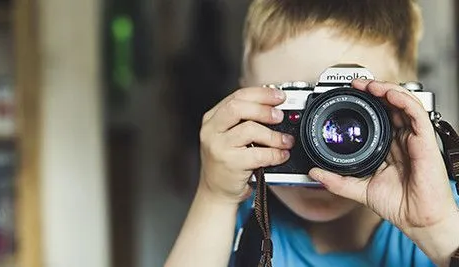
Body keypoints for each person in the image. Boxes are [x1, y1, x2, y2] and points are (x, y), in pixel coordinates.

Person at [165, 0, 459, 266]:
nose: (322, 144)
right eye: (296, 108)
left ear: (407, 105)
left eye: (350, 107)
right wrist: (215, 196)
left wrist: (436, 230)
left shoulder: (443, 212)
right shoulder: (242, 219)